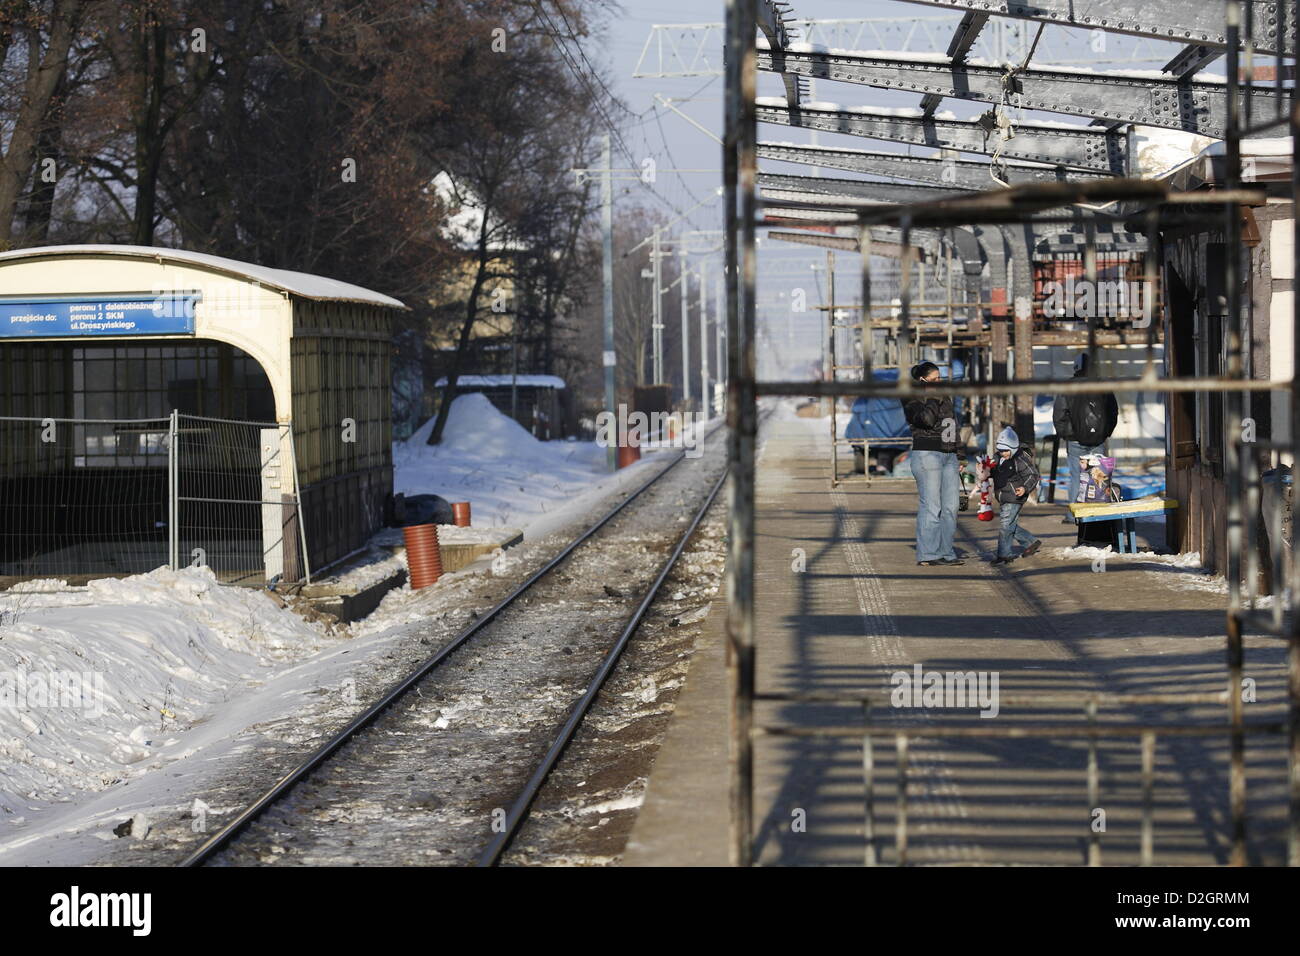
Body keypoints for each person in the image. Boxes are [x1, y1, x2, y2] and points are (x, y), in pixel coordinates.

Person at [904, 361, 963, 566]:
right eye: (934, 379)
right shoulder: (911, 397)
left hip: (948, 455)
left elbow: (951, 424)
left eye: (940, 378)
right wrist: (932, 397)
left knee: (951, 507)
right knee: (932, 506)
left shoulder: (943, 397)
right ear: (922, 380)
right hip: (927, 453)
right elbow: (926, 420)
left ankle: (946, 551)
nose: (939, 382)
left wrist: (959, 453)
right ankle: (928, 554)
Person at [1052, 353, 1118, 520]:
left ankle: (1073, 515)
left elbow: (1059, 414)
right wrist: (1104, 433)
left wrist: (1069, 434)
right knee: (1099, 477)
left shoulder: (1068, 387)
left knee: (1076, 477)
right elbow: (1113, 412)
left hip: (1075, 442)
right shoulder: (1103, 385)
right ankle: (1098, 514)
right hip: (1098, 441)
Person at [989, 426, 1041, 565]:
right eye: (1000, 450)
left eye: (1006, 450)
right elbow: (992, 473)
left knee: (1006, 524)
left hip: (1015, 496)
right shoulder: (997, 458)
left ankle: (1004, 554)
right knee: (1009, 524)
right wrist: (986, 469)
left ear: (1013, 448)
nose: (1003, 453)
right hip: (1003, 496)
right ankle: (1030, 542)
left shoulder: (1020, 459)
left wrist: (1025, 488)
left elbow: (1033, 475)